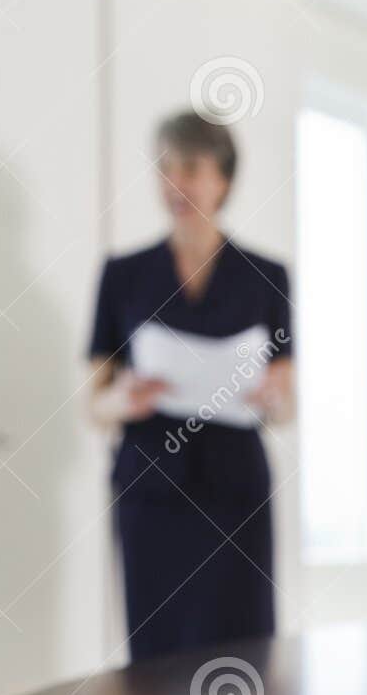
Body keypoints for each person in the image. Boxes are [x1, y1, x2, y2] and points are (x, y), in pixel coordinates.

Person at [86, 111, 293, 661]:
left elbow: (286, 401)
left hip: (235, 489)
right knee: (157, 661)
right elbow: (94, 404)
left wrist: (275, 397)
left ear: (223, 179)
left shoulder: (267, 276)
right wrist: (121, 400)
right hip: (152, 487)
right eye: (165, 167)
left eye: (193, 168)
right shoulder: (123, 274)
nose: (176, 182)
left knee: (243, 656)